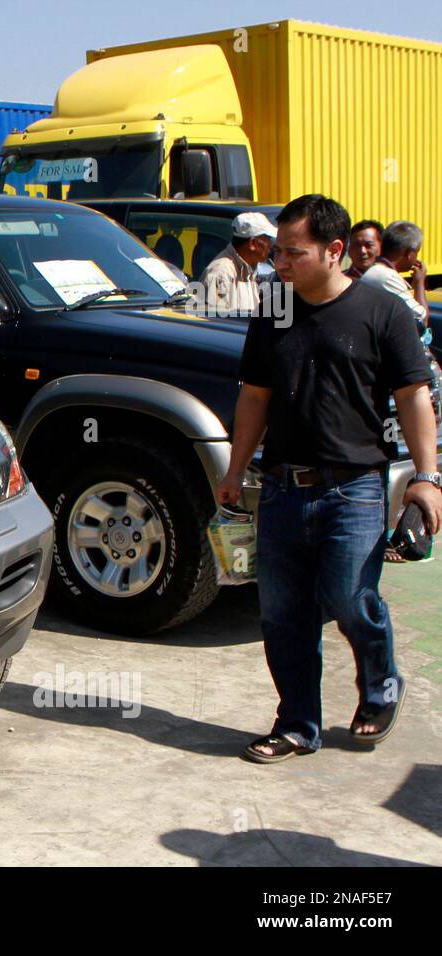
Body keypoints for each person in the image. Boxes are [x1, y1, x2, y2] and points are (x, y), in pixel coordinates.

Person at [216, 194, 442, 764]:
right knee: (283, 612)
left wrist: (428, 476)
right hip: (283, 487)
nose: (279, 263)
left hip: (355, 487)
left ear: (335, 251)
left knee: (350, 598)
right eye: (276, 253)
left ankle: (381, 686)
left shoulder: (381, 311)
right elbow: (255, 396)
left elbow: (415, 395)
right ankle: (296, 723)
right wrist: (236, 469)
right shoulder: (274, 311)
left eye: (293, 252)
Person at [197, 212, 276, 315]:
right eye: (268, 239)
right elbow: (216, 323)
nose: (271, 245)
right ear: (253, 244)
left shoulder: (249, 270)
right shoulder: (221, 273)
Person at [359, 220, 429, 330]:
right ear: (410, 254)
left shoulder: (375, 271)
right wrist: (419, 283)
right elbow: (421, 320)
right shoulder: (387, 278)